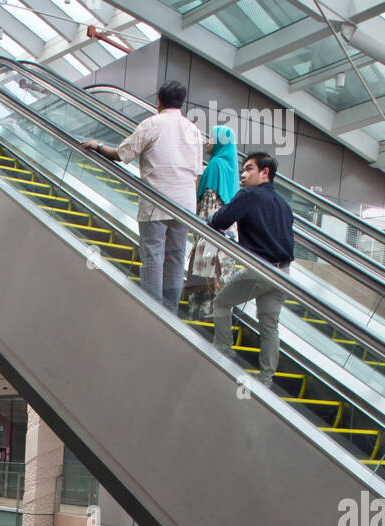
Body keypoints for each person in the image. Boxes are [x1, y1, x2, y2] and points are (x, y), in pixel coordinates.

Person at [81, 81, 205, 314]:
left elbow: (120, 154)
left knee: (153, 257)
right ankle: (170, 311)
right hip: (185, 205)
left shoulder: (152, 124)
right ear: (182, 102)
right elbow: (197, 174)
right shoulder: (194, 131)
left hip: (155, 202)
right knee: (176, 259)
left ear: (158, 102)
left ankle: (153, 312)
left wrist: (97, 145)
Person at [209, 151, 294, 386]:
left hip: (260, 269)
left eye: (248, 169)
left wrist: (211, 217)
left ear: (265, 172)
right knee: (269, 326)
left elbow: (219, 221)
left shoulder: (248, 195)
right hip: (284, 273)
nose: (243, 175)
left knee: (221, 303)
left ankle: (222, 353)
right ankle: (266, 380)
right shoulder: (284, 205)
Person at [186, 124, 239, 320]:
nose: (208, 141)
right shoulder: (231, 168)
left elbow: (208, 206)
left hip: (209, 239)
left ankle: (199, 326)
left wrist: (197, 231)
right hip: (227, 241)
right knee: (219, 286)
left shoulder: (215, 165)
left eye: (211, 138)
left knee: (202, 284)